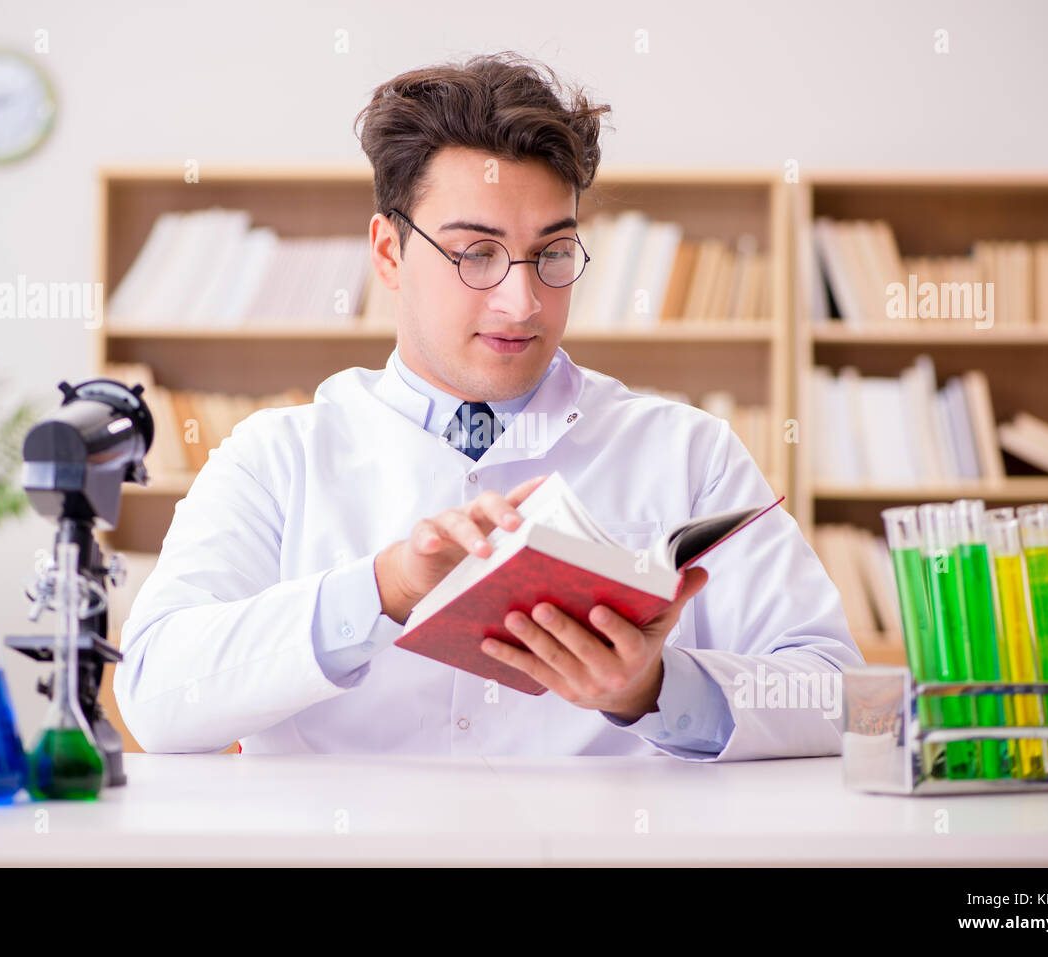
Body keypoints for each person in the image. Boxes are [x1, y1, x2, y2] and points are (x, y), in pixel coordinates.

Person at [114, 51, 862, 761]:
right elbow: (154, 692)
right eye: (476, 253)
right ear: (387, 254)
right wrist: (386, 588)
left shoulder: (688, 451)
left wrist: (653, 689)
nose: (523, 300)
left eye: (554, 254)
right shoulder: (275, 456)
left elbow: (835, 693)